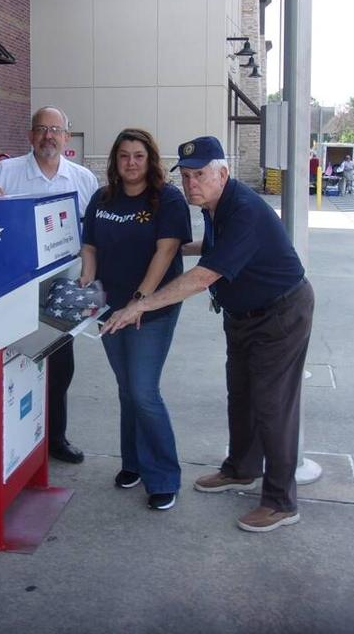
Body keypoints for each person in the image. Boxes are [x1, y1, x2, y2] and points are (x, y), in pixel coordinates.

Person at [103, 136, 315, 532]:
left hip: (280, 315)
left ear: (223, 173)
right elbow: (215, 248)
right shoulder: (216, 206)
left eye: (199, 174)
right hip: (243, 315)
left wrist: (140, 305)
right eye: (185, 176)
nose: (191, 184)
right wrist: (176, 247)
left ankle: (281, 502)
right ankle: (241, 469)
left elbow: (204, 277)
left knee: (273, 406)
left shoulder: (244, 209)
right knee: (241, 396)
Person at [0, 106, 98, 464]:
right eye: (42, 129)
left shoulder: (83, 179)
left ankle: (55, 438)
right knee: (13, 363)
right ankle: (15, 441)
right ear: (30, 135)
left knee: (60, 365)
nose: (48, 136)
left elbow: (93, 235)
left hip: (63, 288)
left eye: (55, 130)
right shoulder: (5, 172)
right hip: (13, 287)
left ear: (66, 136)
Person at [80, 129, 192, 511]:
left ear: (150, 160)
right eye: (124, 155)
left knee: (144, 391)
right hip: (110, 309)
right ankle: (134, 463)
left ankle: (163, 477)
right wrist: (88, 279)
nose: (131, 162)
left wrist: (140, 302)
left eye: (139, 156)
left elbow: (166, 252)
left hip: (151, 310)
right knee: (127, 389)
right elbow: (90, 245)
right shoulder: (102, 198)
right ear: (115, 160)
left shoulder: (167, 199)